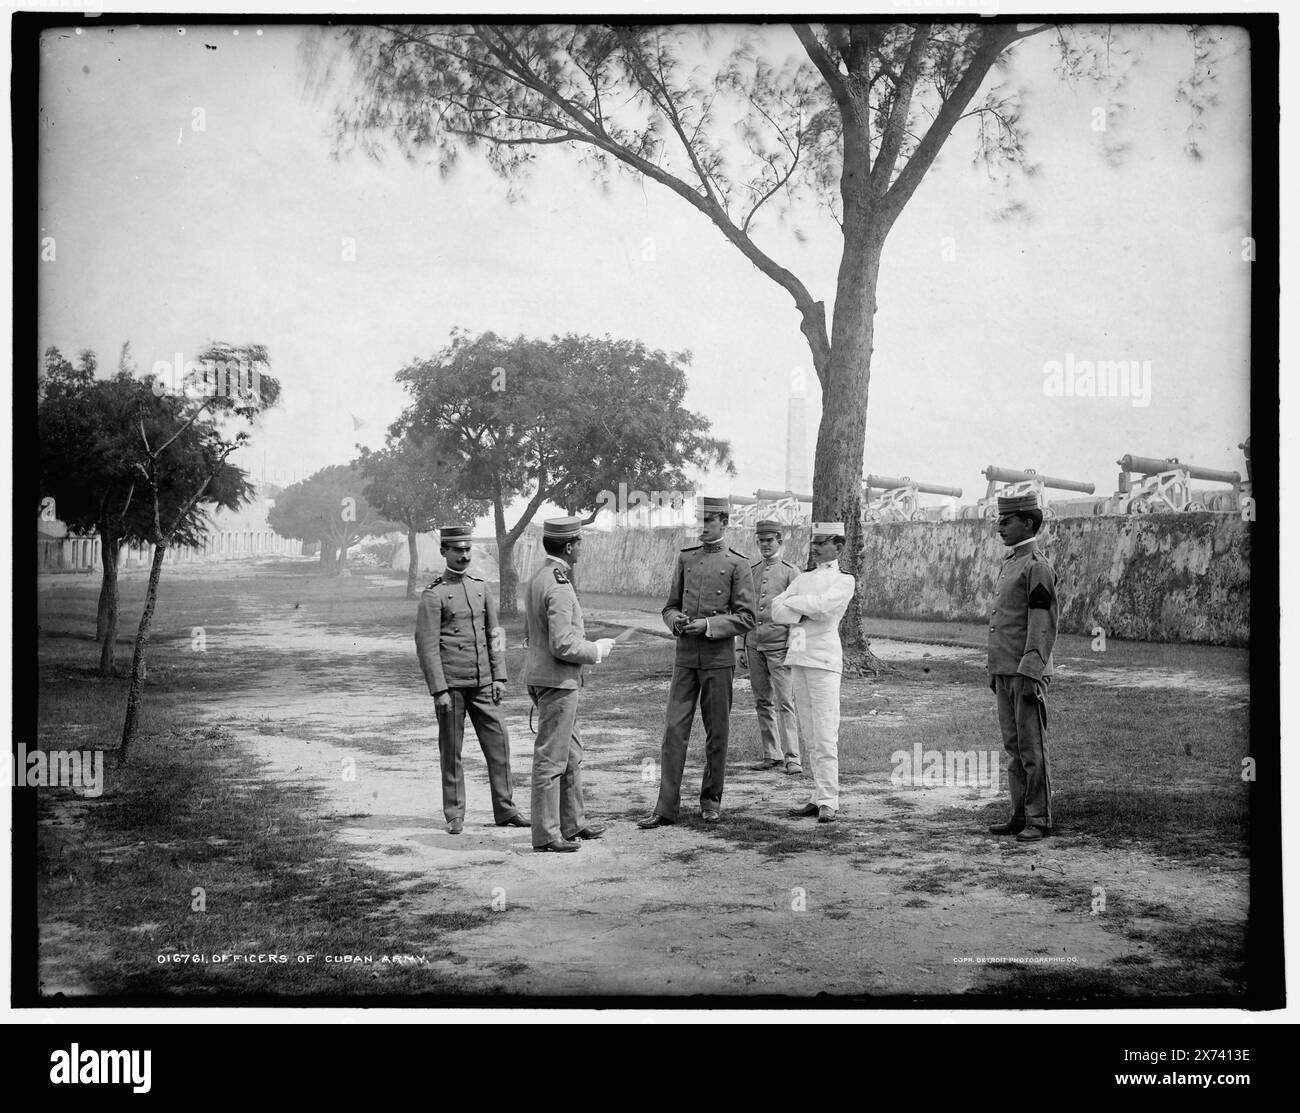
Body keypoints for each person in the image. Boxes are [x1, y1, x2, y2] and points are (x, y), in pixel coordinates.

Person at [639, 496, 756, 828]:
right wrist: (675, 620)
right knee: (674, 731)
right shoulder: (686, 559)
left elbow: (748, 618)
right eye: (699, 521)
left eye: (708, 521)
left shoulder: (738, 564)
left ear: (724, 523)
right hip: (686, 658)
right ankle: (665, 807)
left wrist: (708, 626)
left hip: (719, 660)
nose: (702, 527)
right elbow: (669, 606)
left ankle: (711, 799)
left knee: (716, 732)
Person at [415, 526, 527, 835]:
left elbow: (497, 635)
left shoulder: (481, 588)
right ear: (444, 552)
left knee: (499, 745)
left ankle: (505, 810)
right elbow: (426, 646)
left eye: (467, 550)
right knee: (452, 751)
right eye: (457, 550)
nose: (464, 555)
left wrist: (500, 675)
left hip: (484, 683)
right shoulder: (434, 594)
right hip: (451, 686)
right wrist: (439, 689)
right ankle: (454, 814)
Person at [523, 516, 616, 853]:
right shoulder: (559, 585)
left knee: (571, 753)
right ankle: (547, 835)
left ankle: (572, 824)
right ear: (569, 545)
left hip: (546, 677)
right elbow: (562, 644)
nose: (581, 547)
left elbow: (534, 633)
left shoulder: (540, 577)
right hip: (558, 681)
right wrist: (597, 650)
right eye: (579, 542)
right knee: (551, 759)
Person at [985, 492, 1059, 842]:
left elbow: (1041, 622)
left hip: (1025, 672)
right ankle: (1018, 814)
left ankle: (1038, 818)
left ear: (1027, 523)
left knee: (1032, 749)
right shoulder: (1012, 561)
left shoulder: (1036, 566)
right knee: (1013, 749)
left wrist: (1031, 669)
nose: (1000, 526)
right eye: (1000, 520)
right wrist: (996, 670)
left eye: (1006, 521)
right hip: (1005, 670)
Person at [771, 522, 856, 824]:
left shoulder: (845, 580)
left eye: (823, 542)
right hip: (799, 657)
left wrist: (796, 607)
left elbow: (825, 608)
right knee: (808, 731)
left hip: (823, 661)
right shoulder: (803, 578)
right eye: (814, 541)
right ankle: (817, 795)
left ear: (839, 546)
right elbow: (775, 610)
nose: (816, 547)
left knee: (824, 731)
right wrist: (803, 608)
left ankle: (830, 800)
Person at [739, 520, 803, 775]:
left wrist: (795, 649)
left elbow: (800, 614)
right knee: (762, 700)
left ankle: (793, 757)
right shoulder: (751, 571)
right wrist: (740, 647)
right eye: (761, 541)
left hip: (780, 648)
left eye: (770, 541)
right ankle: (771, 754)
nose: (765, 545)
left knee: (786, 702)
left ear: (780, 542)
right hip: (755, 645)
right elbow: (743, 612)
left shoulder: (791, 572)